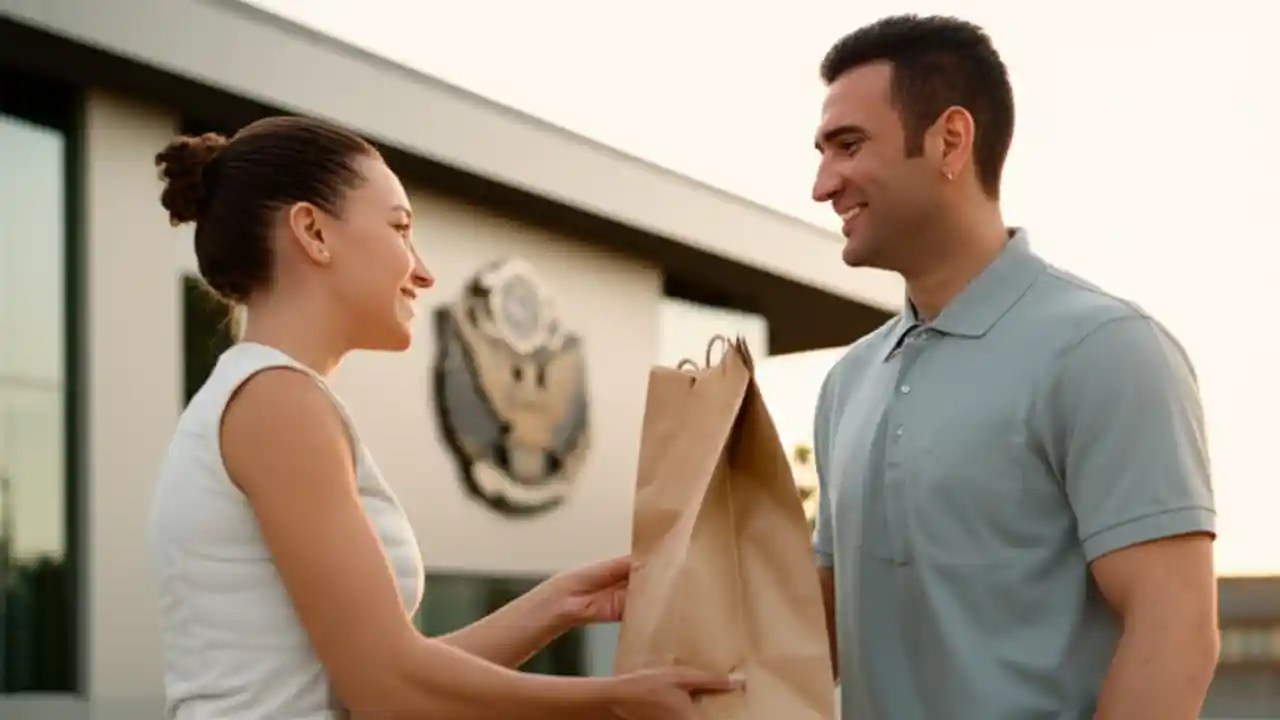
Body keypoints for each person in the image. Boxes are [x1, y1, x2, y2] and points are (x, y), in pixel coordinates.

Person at [145, 115, 739, 719]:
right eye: (401, 229)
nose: (423, 271)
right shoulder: (277, 403)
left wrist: (558, 606)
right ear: (313, 231)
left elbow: (380, 678)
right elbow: (391, 693)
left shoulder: (267, 396)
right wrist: (613, 700)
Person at [809, 14, 1219, 720]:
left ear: (950, 140)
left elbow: (1176, 632)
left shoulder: (1107, 350)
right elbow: (813, 641)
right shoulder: (847, 384)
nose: (823, 185)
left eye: (848, 147)